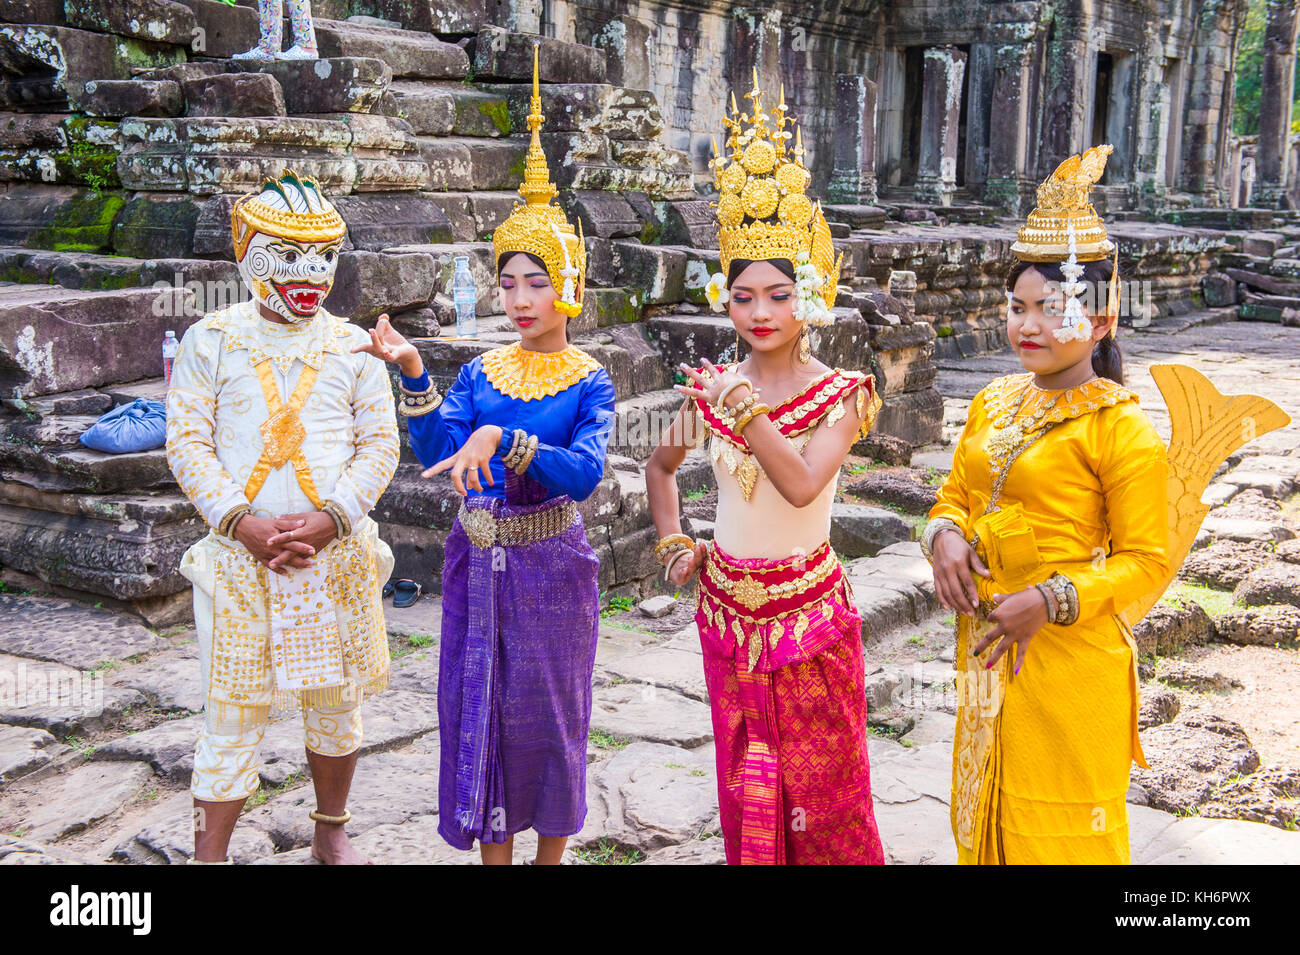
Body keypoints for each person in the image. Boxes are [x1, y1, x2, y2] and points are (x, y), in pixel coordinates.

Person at [354, 47, 616, 866]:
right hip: (478, 561)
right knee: (482, 716)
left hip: (552, 562)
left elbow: (585, 472)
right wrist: (411, 372)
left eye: (536, 281)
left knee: (551, 716)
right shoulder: (477, 370)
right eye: (507, 283)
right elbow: (436, 449)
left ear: (567, 283)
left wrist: (508, 440)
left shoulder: (591, 379)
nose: (519, 300)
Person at [644, 72, 886, 865]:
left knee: (826, 797)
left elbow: (802, 483)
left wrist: (742, 406)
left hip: (807, 619)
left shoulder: (843, 394)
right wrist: (677, 542)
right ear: (726, 297)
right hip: (724, 614)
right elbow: (661, 464)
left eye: (778, 295)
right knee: (745, 787)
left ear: (808, 297)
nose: (759, 313)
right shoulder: (714, 391)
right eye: (743, 295)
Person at [921, 144, 1172, 863]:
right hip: (988, 642)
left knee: (1056, 839)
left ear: (1100, 320)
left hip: (1069, 657)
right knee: (984, 821)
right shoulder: (996, 400)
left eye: (1050, 308)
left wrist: (1053, 597)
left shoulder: (1120, 429)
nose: (1027, 325)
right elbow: (957, 493)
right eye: (1017, 307)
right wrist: (943, 538)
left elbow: (1146, 562)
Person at [166, 170, 399, 865]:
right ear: (248, 251)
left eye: (323, 256)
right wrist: (242, 522)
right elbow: (187, 442)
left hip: (337, 557)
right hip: (243, 560)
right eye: (288, 255)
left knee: (335, 701)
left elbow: (380, 444)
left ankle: (332, 828)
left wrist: (335, 516)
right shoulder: (209, 339)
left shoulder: (355, 346)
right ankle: (210, 856)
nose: (309, 274)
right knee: (231, 711)